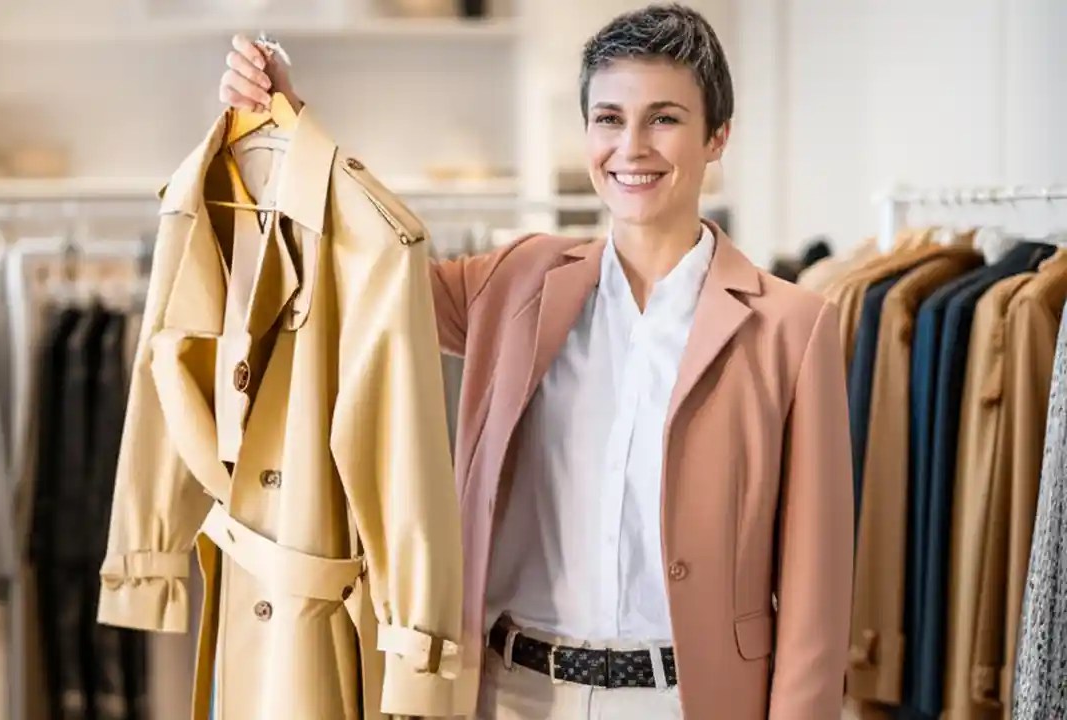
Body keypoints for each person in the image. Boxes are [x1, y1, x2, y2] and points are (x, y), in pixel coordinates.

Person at [219, 4, 854, 719]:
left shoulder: (791, 328)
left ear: (717, 138)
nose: (632, 147)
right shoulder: (518, 281)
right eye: (609, 119)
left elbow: (816, 601)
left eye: (664, 119)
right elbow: (370, 271)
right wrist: (290, 129)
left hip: (687, 702)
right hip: (516, 693)